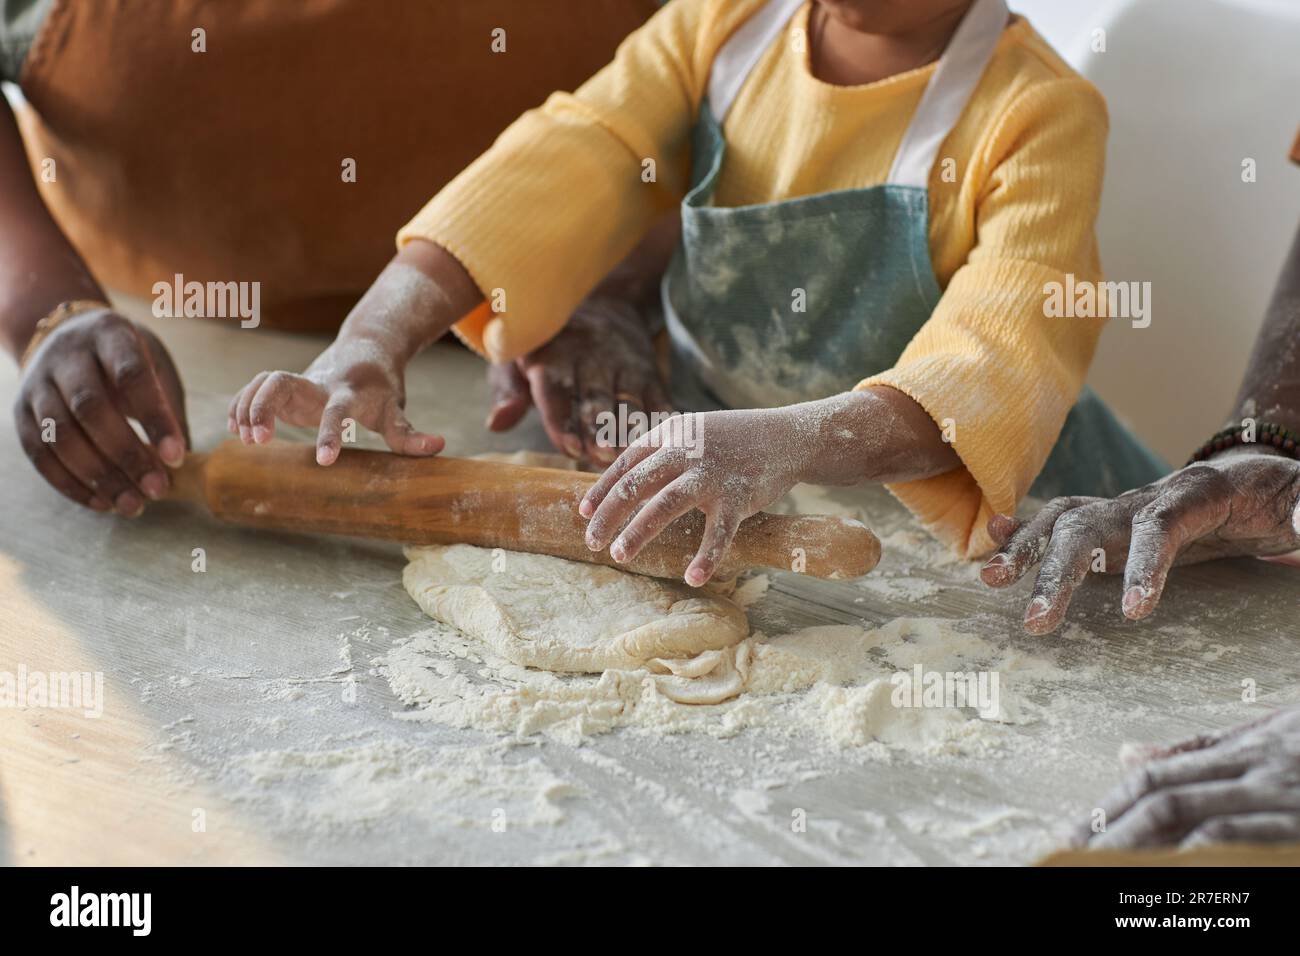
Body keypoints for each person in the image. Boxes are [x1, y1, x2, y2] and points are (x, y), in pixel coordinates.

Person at [231, 0, 1168, 587]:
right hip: (730, 448)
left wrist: (795, 440)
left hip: (992, 501)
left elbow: (1002, 350)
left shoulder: (1038, 112)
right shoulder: (721, 26)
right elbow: (565, 161)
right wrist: (373, 337)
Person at [3, 0, 659, 515]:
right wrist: (47, 307)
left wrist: (597, 276)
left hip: (547, 359)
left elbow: (703, 86)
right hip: (182, 347)